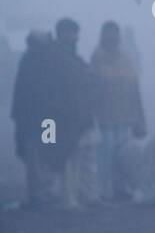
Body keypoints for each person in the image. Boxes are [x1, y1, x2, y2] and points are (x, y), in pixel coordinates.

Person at [90, 21, 147, 202]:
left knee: (123, 157)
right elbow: (92, 89)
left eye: (115, 34)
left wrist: (139, 116)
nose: (112, 38)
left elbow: (134, 87)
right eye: (109, 34)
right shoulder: (97, 58)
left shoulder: (126, 58)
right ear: (103, 35)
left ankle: (120, 189)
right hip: (105, 117)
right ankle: (105, 191)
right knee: (105, 157)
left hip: (126, 117)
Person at [48, 18, 99, 208]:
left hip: (81, 115)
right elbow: (54, 91)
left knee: (84, 157)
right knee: (69, 159)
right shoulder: (55, 57)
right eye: (70, 32)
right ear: (61, 34)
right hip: (63, 117)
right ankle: (70, 201)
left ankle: (87, 196)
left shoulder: (72, 57)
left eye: (75, 33)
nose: (75, 37)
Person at [10, 30, 58, 206]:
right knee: (37, 153)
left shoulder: (38, 61)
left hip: (45, 118)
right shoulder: (33, 62)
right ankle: (39, 192)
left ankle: (44, 190)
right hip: (36, 119)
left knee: (45, 152)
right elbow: (22, 93)